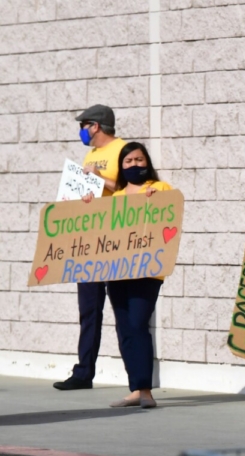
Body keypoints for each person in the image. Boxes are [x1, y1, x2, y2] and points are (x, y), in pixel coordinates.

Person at [80, 142, 171, 408]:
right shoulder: (117, 197)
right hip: (117, 271)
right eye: (128, 162)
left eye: (139, 160)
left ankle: (146, 390)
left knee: (138, 324)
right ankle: (136, 388)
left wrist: (157, 200)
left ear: (147, 162)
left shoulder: (159, 189)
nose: (134, 165)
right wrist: (88, 205)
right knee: (124, 328)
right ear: (121, 167)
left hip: (146, 271)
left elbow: (171, 213)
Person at [54, 105, 127, 391]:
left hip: (115, 238)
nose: (82, 130)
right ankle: (83, 373)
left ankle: (137, 378)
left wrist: (98, 179)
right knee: (89, 308)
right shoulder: (92, 155)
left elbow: (127, 186)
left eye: (84, 125)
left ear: (95, 126)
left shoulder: (122, 150)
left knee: (123, 309)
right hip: (89, 239)